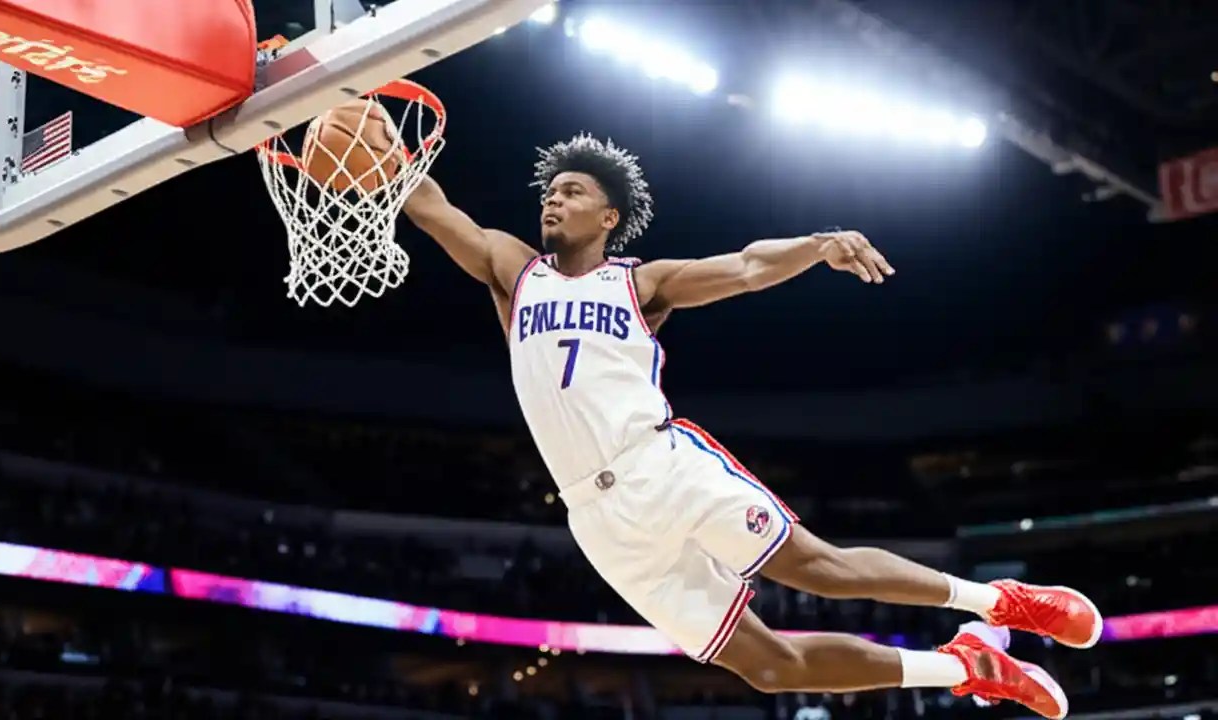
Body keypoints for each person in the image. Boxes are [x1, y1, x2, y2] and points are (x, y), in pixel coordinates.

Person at [401, 133, 1099, 718]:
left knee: (819, 569)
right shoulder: (513, 272)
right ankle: (966, 669)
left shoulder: (640, 284)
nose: (554, 200)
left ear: (609, 217)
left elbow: (745, 266)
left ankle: (1004, 603)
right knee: (769, 669)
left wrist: (818, 244)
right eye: (550, 193)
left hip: (661, 467)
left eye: (573, 192)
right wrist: (352, 117)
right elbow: (430, 205)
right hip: (596, 519)